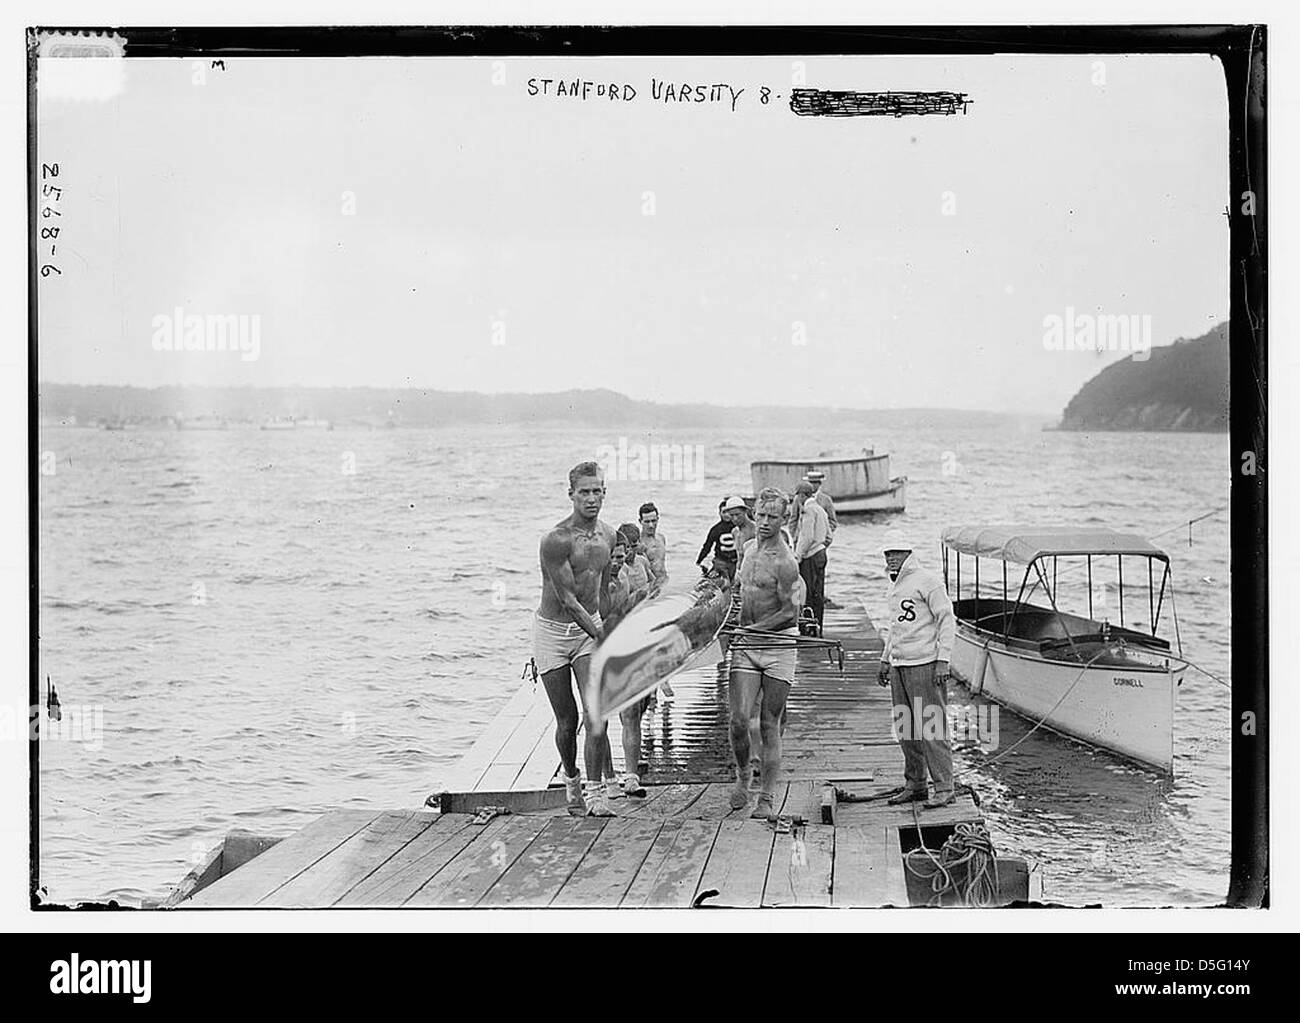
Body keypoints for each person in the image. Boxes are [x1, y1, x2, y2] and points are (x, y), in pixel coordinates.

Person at [536, 461, 621, 816]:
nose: (591, 498)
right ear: (570, 494)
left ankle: (597, 793)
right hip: (553, 633)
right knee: (567, 721)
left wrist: (611, 626)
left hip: (590, 633)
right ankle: (571, 778)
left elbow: (599, 591)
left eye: (597, 491)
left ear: (604, 493)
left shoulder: (609, 535)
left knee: (596, 712)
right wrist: (601, 634)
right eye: (584, 492)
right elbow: (569, 601)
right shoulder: (556, 540)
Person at [727, 487, 801, 821]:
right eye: (760, 515)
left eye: (773, 517)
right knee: (739, 720)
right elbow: (741, 592)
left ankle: (767, 797)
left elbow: (790, 613)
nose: (764, 522)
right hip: (745, 644)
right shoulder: (746, 548)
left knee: (769, 725)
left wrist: (756, 630)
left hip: (779, 647)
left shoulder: (787, 562)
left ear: (784, 519)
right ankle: (744, 774)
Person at [875, 536, 957, 809]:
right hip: (900, 664)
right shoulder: (895, 586)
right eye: (888, 554)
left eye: (896, 553)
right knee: (906, 728)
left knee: (932, 727)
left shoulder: (927, 581)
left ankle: (945, 787)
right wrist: (885, 659)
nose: (891, 559)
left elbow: (947, 619)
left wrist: (943, 659)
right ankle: (916, 783)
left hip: (925, 663)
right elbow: (895, 627)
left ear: (909, 552)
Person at [792, 481, 830, 633]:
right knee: (818, 593)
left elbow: (806, 537)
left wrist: (798, 556)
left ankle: (807, 626)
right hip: (821, 552)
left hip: (810, 556)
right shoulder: (820, 509)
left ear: (802, 495)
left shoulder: (808, 510)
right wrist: (821, 546)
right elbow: (829, 536)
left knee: (805, 593)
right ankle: (817, 625)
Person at [697, 497, 742, 581]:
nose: (726, 515)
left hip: (736, 562)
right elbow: (707, 546)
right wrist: (699, 561)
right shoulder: (716, 529)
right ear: (719, 513)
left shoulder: (739, 527)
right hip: (721, 562)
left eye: (729, 512)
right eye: (724, 512)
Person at [618, 522, 654, 603]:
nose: (630, 551)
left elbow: (654, 584)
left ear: (639, 542)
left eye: (634, 546)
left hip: (645, 603)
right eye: (627, 547)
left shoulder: (643, 561)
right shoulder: (619, 569)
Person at [639, 502, 669, 591]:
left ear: (658, 519)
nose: (651, 525)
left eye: (654, 521)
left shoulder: (661, 538)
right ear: (640, 521)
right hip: (650, 588)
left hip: (664, 583)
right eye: (647, 522)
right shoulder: (639, 543)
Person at [805, 471, 838, 544]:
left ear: (819, 484)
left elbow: (833, 521)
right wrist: (795, 537)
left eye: (815, 483)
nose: (812, 485)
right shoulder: (800, 498)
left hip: (820, 541)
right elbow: (794, 519)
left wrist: (826, 535)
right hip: (802, 539)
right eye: (810, 483)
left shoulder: (826, 499)